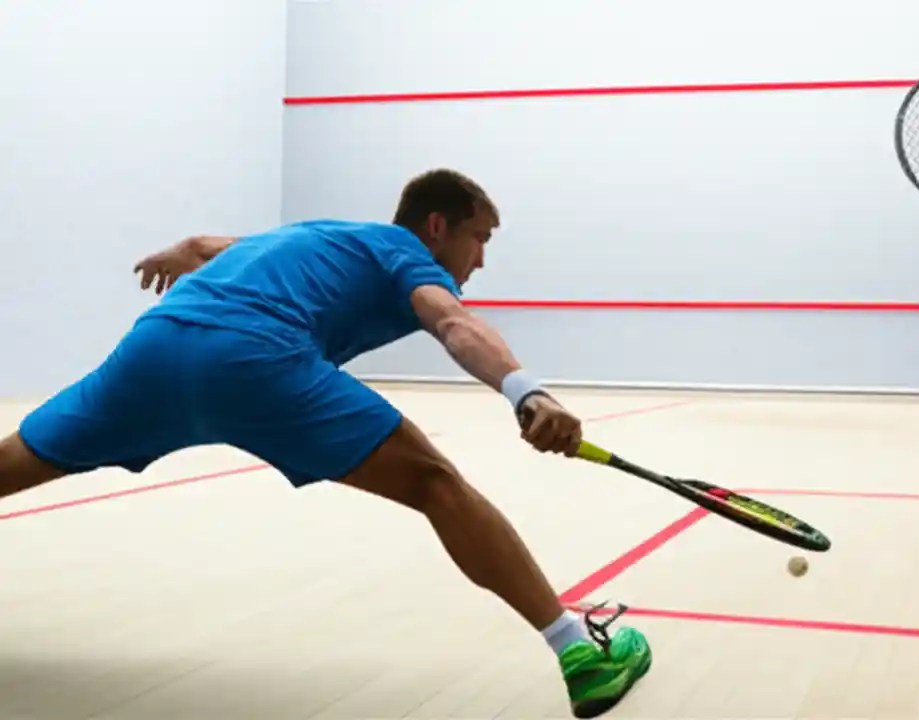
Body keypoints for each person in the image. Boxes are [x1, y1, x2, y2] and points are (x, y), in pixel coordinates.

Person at [0, 168, 651, 717]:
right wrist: (525, 391)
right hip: (255, 356)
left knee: (14, 462)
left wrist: (179, 254)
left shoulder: (315, 234)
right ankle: (578, 653)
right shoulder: (406, 254)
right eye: (479, 238)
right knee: (435, 484)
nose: (480, 258)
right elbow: (453, 323)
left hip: (154, 348)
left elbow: (205, 243)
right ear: (436, 227)